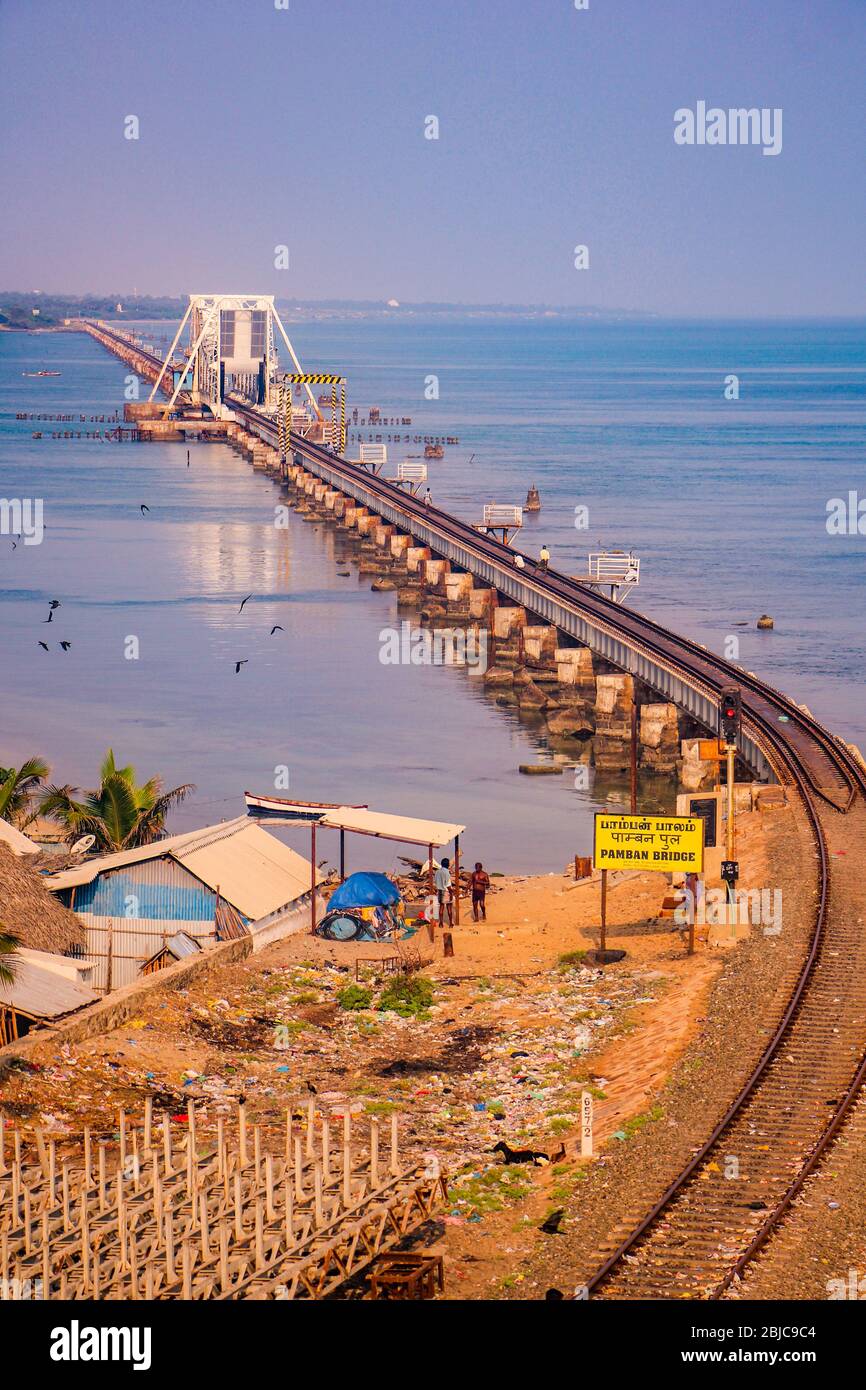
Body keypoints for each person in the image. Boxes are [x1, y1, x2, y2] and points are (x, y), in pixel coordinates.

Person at [434, 856, 453, 928]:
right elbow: (448, 885)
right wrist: (451, 892)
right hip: (446, 891)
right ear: (448, 865)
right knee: (449, 908)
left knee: (441, 908)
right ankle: (450, 923)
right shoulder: (447, 872)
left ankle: (441, 923)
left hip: (440, 891)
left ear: (441, 864)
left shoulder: (437, 872)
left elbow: (435, 882)